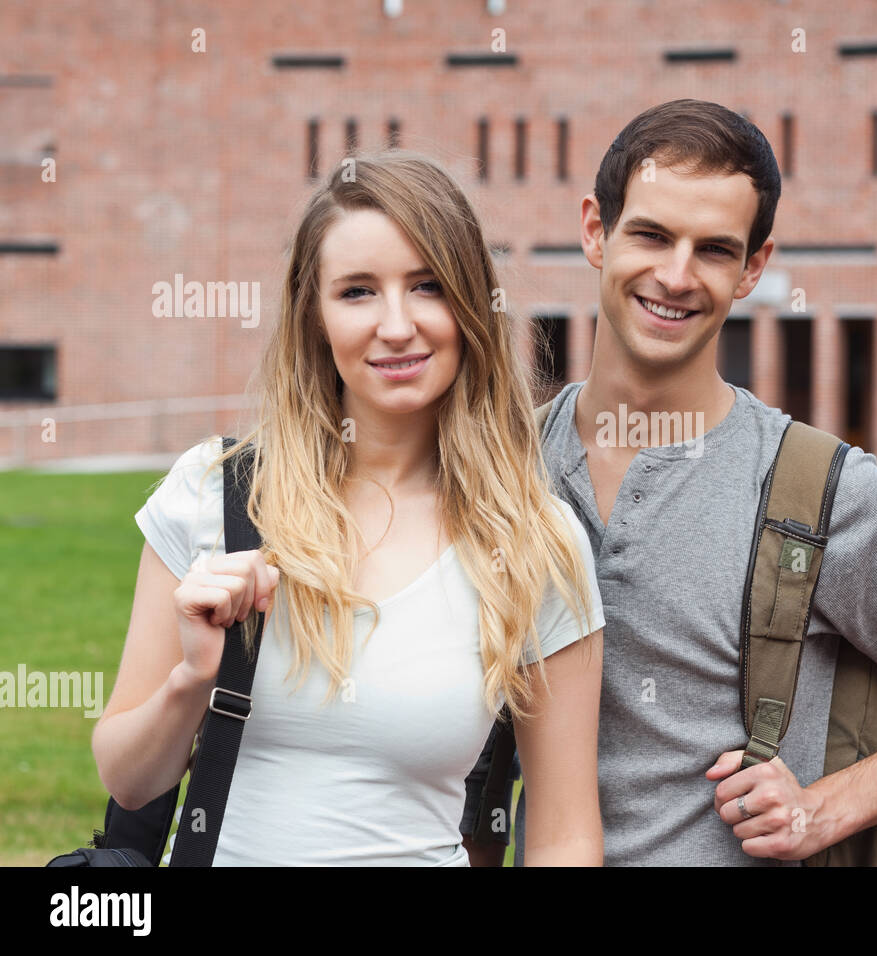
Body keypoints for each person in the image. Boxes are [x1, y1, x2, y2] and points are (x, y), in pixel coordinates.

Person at [461, 99, 877, 866]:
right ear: (596, 231)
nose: (675, 275)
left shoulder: (821, 491)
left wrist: (823, 809)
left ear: (752, 269)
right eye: (652, 235)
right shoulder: (500, 468)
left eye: (713, 250)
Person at [92, 150, 605, 866]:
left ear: (472, 304)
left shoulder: (534, 540)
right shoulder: (218, 493)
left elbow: (565, 835)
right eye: (358, 292)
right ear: (315, 315)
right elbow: (127, 780)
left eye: (427, 286)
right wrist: (192, 679)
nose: (396, 326)